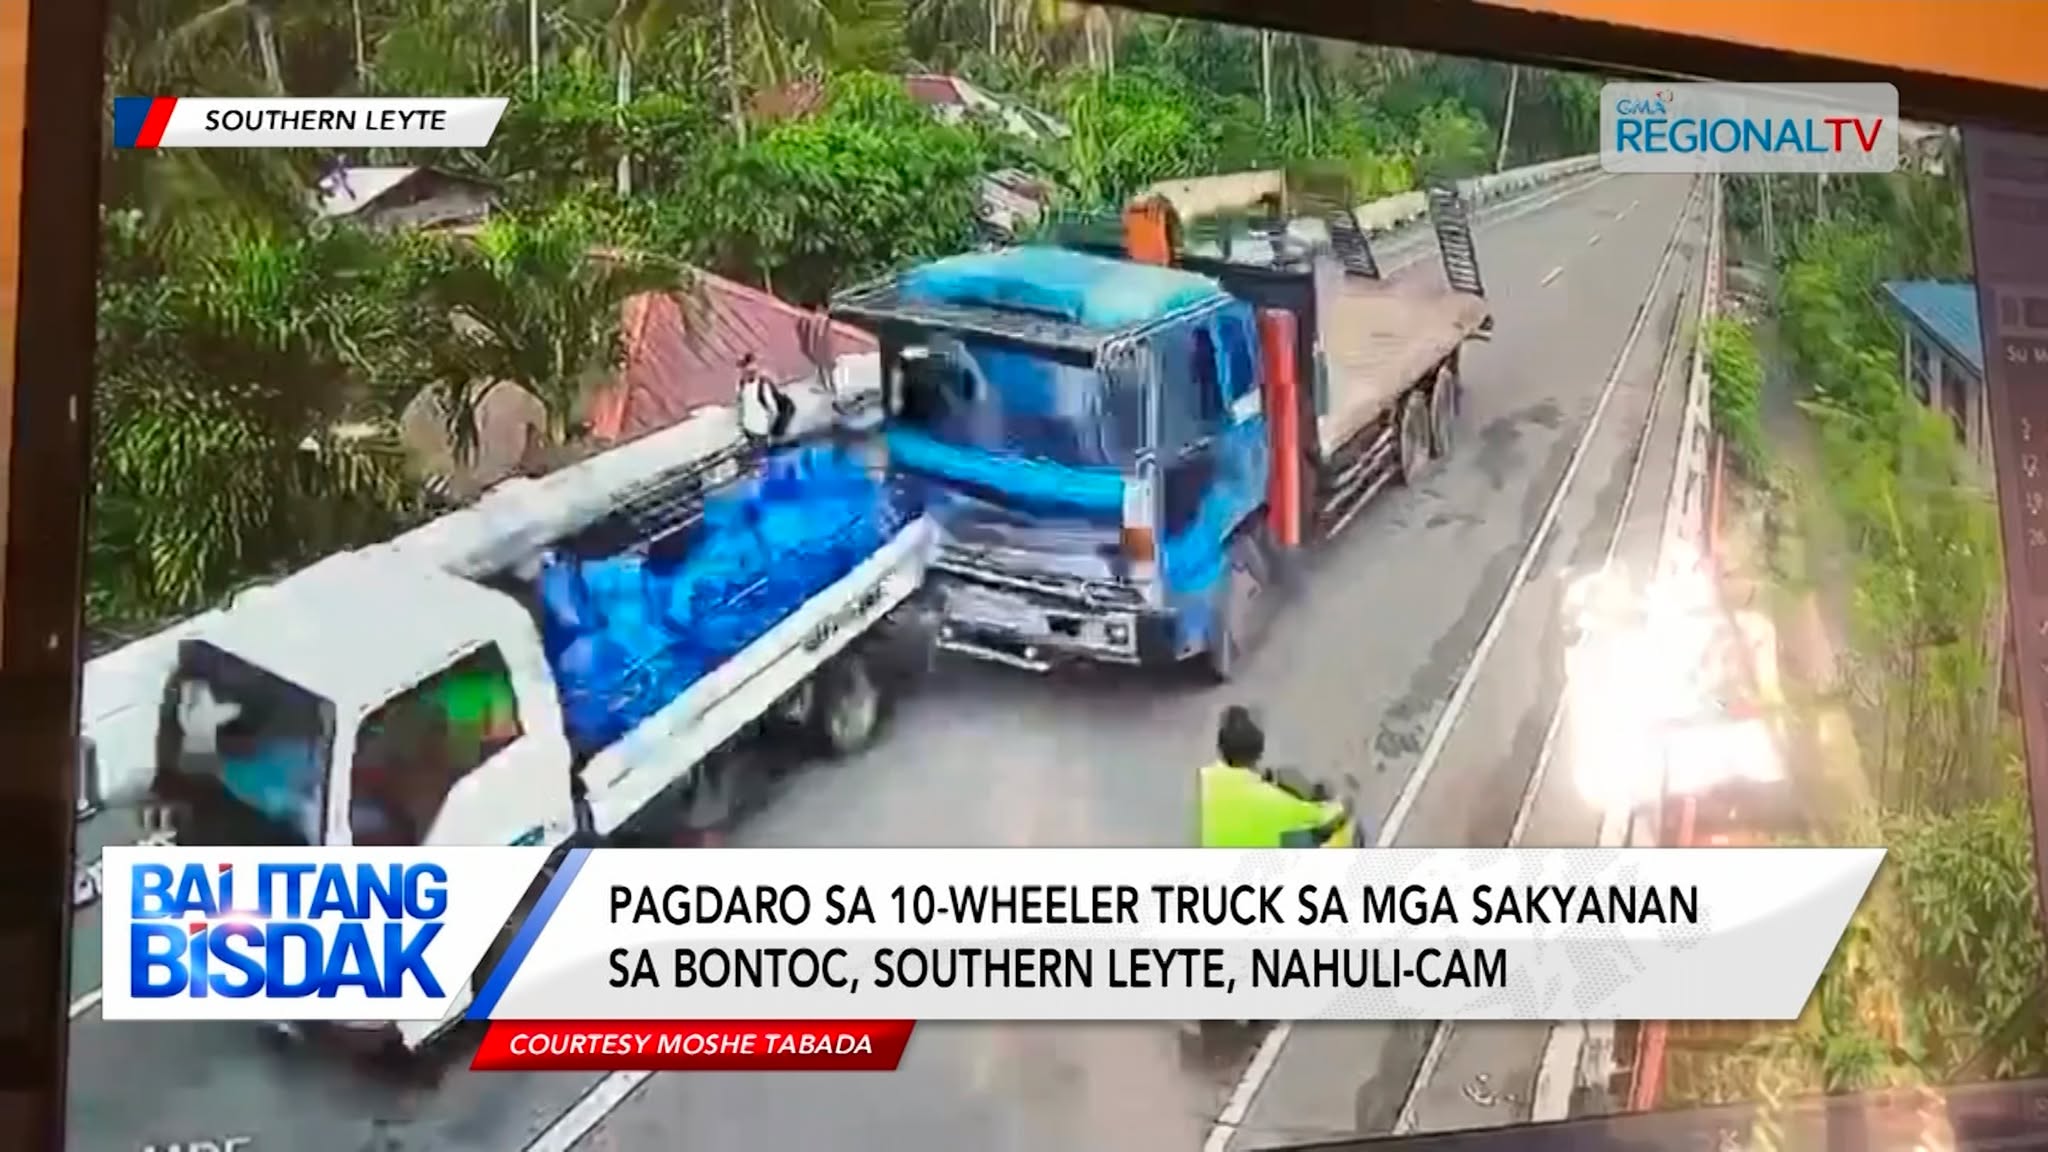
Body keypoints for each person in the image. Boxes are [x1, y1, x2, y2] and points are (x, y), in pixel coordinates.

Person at [1200, 705, 1354, 849]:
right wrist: (1343, 803)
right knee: (1335, 832)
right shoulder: (1273, 802)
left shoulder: (1202, 780)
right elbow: (1328, 818)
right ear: (1259, 752)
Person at [737, 352, 797, 442]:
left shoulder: (763, 384)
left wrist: (770, 434)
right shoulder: (741, 384)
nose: (745, 373)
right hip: (750, 429)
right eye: (743, 369)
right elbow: (741, 405)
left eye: (751, 371)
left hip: (762, 431)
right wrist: (742, 425)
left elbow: (773, 411)